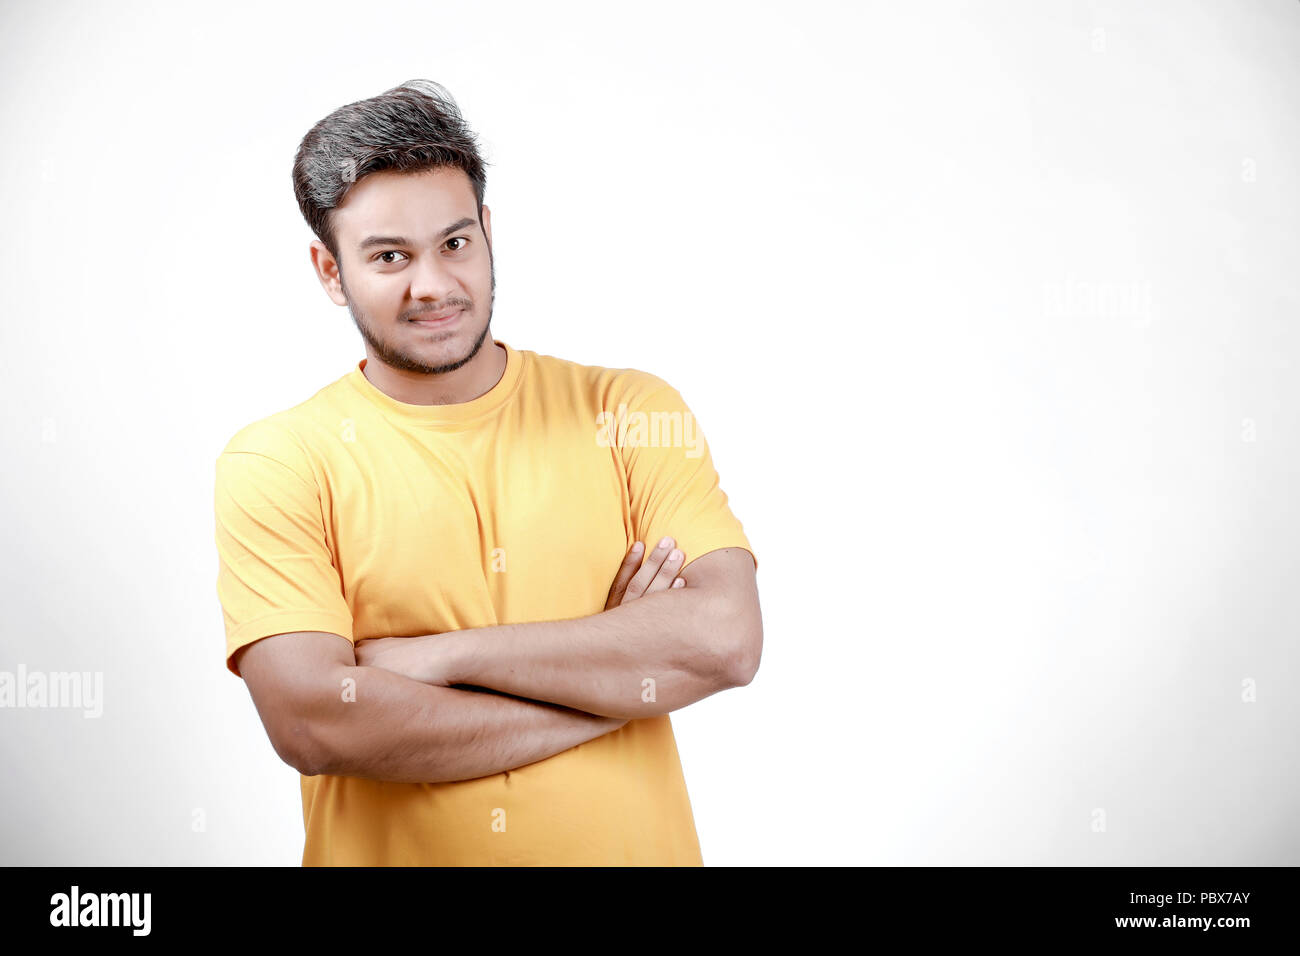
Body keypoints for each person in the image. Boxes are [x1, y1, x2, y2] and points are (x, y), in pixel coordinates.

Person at [213, 79, 762, 866]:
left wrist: (444, 657)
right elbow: (315, 721)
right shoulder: (278, 461)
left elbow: (727, 640)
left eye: (455, 243)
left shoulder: (628, 410)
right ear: (330, 272)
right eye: (389, 256)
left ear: (489, 233)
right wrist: (614, 687)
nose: (433, 284)